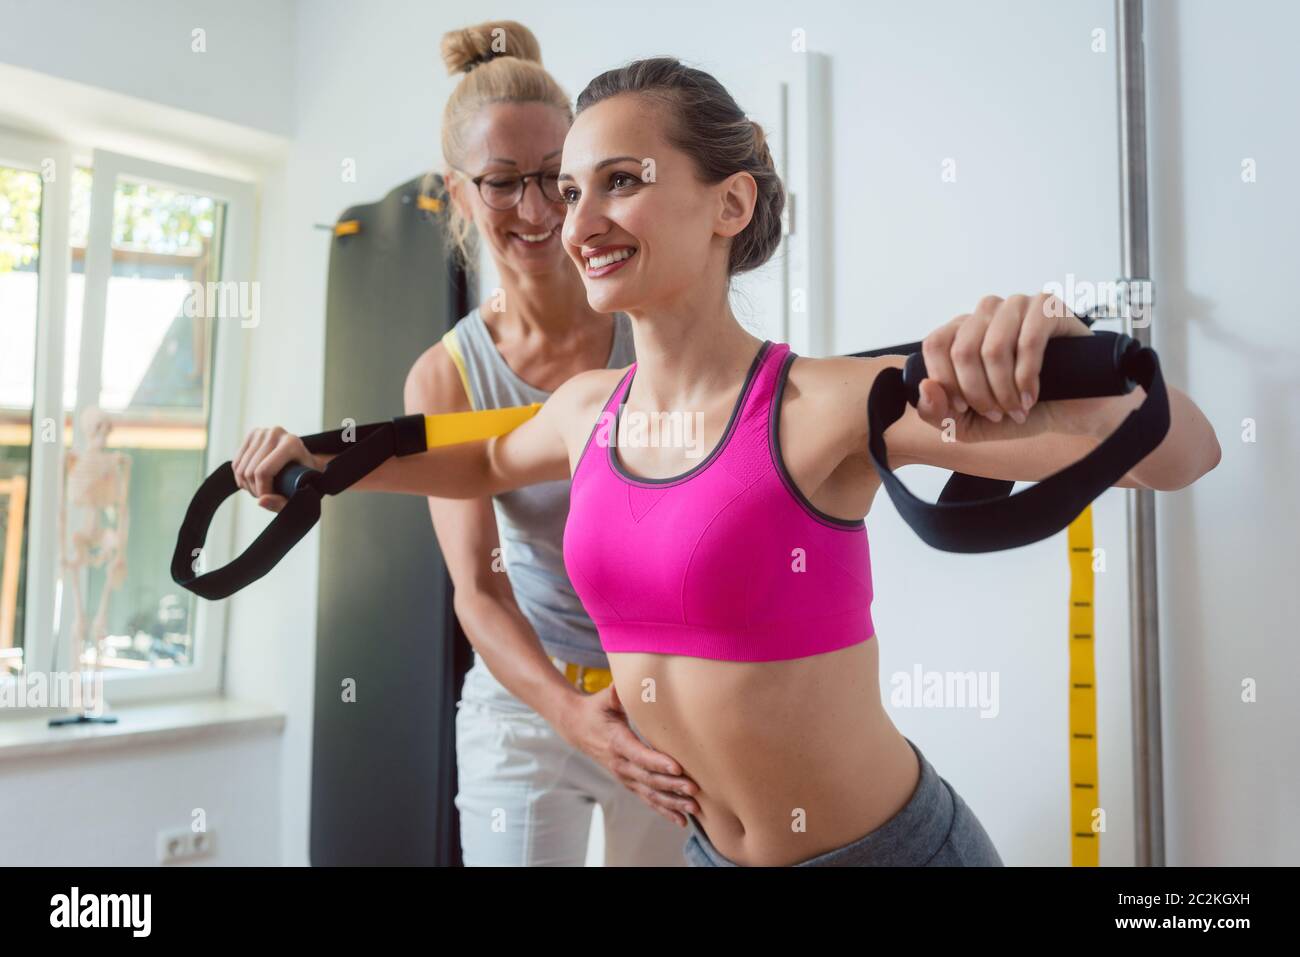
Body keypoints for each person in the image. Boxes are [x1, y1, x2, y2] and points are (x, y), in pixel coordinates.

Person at [237, 57, 1220, 866]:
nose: (573, 225)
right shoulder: (586, 413)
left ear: (727, 203)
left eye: (619, 181)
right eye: (571, 191)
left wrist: (1059, 353)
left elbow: (1177, 455)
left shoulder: (821, 404)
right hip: (707, 854)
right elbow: (483, 456)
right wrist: (318, 464)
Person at [248, 23, 696, 867]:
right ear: (459, 194)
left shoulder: (655, 321)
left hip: (669, 686)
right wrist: (313, 465)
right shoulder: (448, 376)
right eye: (500, 184)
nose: (535, 210)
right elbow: (479, 593)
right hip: (531, 703)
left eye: (553, 178)